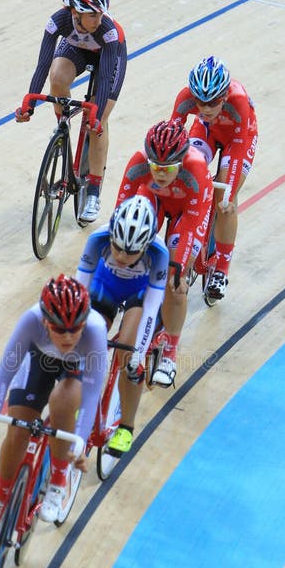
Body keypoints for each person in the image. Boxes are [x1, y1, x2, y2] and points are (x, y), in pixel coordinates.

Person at [0, 275, 108, 537]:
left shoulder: (95, 331)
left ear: (85, 323)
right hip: (37, 358)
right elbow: (4, 373)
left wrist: (79, 440)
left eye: (75, 329)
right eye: (59, 330)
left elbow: (91, 394)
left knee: (64, 402)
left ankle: (57, 482)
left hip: (74, 367)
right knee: (18, 429)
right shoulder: (30, 321)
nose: (67, 337)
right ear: (45, 322)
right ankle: (0, 502)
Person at [15, 0, 127, 225]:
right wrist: (29, 106)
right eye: (92, 15)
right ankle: (63, 123)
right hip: (75, 49)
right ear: (75, 12)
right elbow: (43, 65)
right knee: (56, 77)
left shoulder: (109, 32)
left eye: (100, 14)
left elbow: (107, 75)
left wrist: (97, 118)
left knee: (99, 121)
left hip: (108, 59)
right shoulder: (58, 22)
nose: (98, 20)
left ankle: (94, 193)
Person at [115, 120, 212, 388]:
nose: (159, 173)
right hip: (153, 199)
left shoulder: (196, 170)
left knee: (175, 283)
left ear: (180, 163)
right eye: (155, 167)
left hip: (188, 210)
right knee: (130, 248)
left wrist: (180, 266)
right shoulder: (139, 163)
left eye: (167, 169)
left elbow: (193, 224)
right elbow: (121, 212)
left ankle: (170, 352)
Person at [75, 194, 169, 455]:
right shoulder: (97, 239)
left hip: (139, 294)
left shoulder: (159, 253)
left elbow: (151, 309)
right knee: (83, 343)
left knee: (127, 355)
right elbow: (79, 289)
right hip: (105, 285)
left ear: (146, 245)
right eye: (117, 247)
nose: (121, 255)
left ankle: (126, 427)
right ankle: (78, 398)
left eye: (131, 252)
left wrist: (138, 351)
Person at [170, 55, 258, 301]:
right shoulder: (185, 97)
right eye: (200, 102)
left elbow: (239, 150)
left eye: (212, 103)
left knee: (224, 199)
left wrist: (228, 194)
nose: (205, 109)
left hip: (239, 139)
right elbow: (172, 138)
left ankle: (221, 269)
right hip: (206, 132)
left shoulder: (239, 101)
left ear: (224, 97)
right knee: (188, 178)